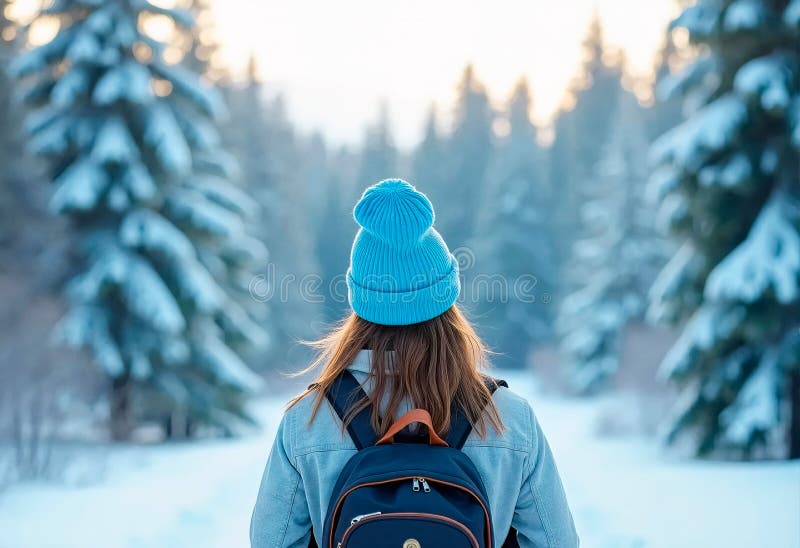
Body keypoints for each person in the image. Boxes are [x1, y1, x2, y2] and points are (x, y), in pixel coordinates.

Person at [250, 179, 578, 547]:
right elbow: (557, 542)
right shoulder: (509, 420)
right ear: (447, 301)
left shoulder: (307, 421)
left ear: (359, 301)